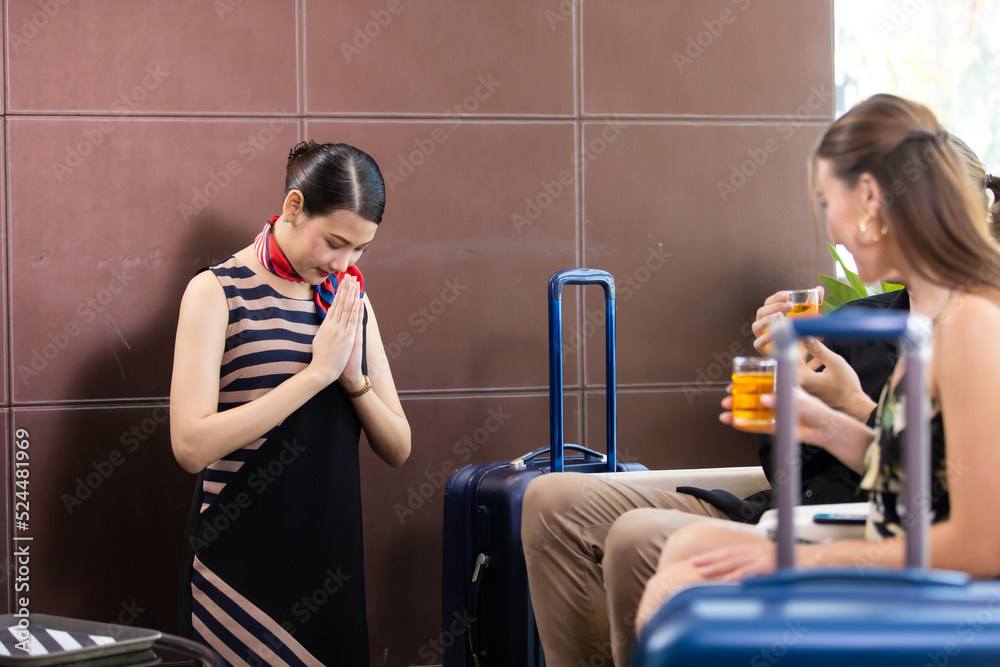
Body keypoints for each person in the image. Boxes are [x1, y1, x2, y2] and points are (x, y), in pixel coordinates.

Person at [522, 128, 998, 667]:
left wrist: (849, 407)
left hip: (853, 526)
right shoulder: (858, 325)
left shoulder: (974, 330)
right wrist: (800, 398)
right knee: (551, 497)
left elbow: (951, 502)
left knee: (647, 541)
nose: (845, 232)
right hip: (790, 506)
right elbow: (789, 465)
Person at [636, 94, 1000, 635]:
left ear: (874, 201)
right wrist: (825, 425)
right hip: (903, 555)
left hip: (944, 595)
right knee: (688, 546)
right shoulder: (933, 319)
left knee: (678, 587)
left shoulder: (972, 324)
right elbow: (920, 476)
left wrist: (801, 560)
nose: (829, 230)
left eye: (829, 203)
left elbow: (979, 545)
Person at [170, 141, 411, 666]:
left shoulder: (349, 300)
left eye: (361, 250)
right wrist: (317, 373)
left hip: (331, 559)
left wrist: (352, 380)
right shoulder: (216, 292)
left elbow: (398, 446)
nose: (344, 263)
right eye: (335, 242)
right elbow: (190, 445)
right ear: (294, 208)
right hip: (237, 566)